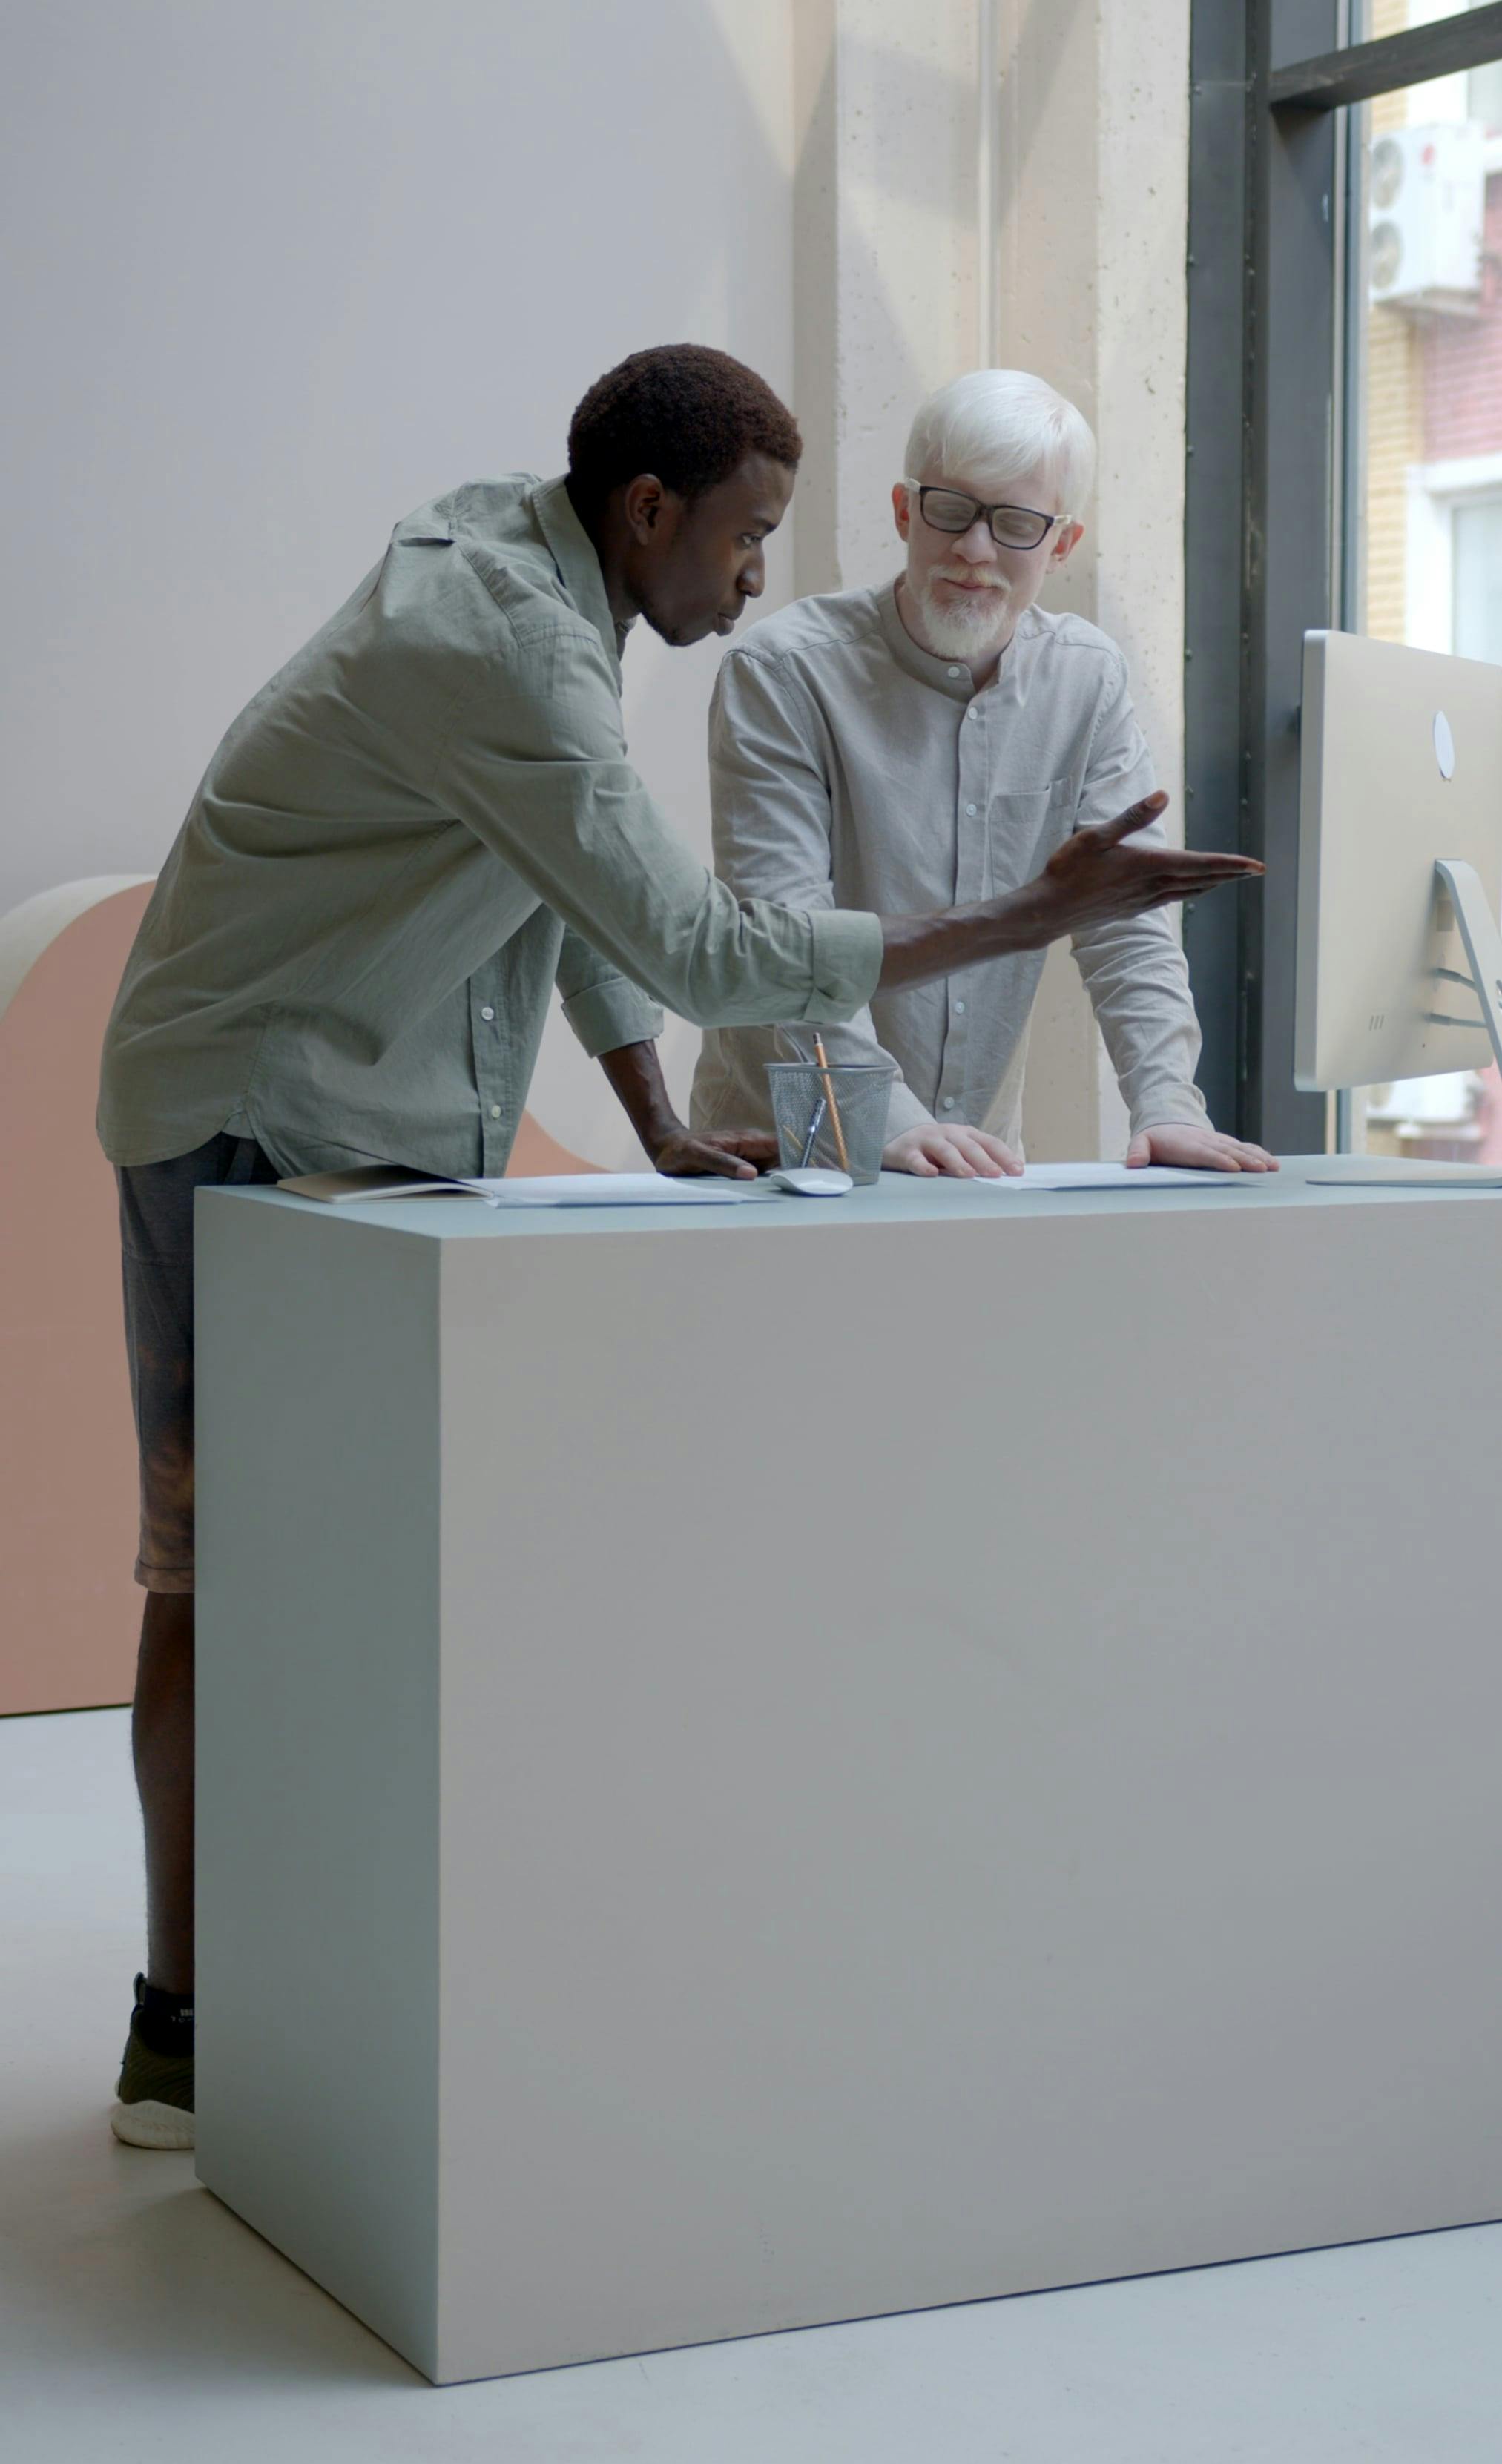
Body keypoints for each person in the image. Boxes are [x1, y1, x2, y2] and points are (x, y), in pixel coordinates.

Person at [97, 343, 1261, 2150]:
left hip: (385, 1116)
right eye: (746, 535)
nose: (754, 575)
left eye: (1016, 526)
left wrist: (644, 1114)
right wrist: (1032, 912)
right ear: (655, 511)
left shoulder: (564, 609)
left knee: (363, 1576)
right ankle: (177, 2024)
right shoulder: (518, 641)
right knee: (223, 1568)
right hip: (250, 1098)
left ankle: (337, 1990)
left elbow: (554, 881)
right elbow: (718, 944)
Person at [693, 367, 1276, 1180]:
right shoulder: (784, 673)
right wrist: (883, 1117)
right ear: (905, 511)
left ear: (1062, 544)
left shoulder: (1087, 679)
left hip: (978, 1166)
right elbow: (785, 939)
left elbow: (1127, 928)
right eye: (951, 509)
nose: (975, 549)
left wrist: (1169, 1105)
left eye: (1016, 523)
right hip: (779, 1163)